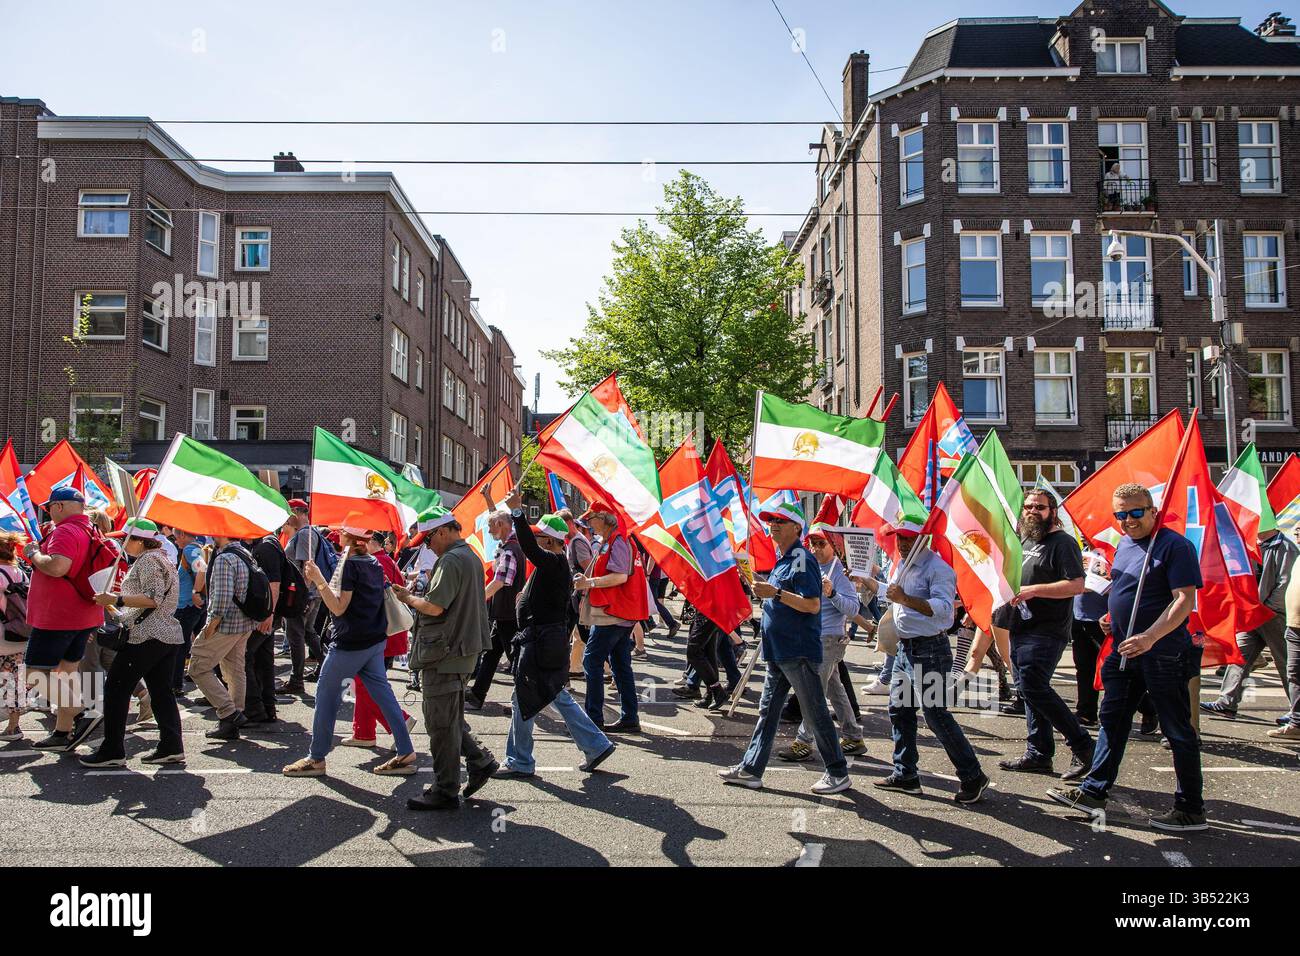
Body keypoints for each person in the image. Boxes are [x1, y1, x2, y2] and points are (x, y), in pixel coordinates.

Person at [1048, 483, 1206, 832]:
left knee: (1178, 729)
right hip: (1123, 650)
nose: (1128, 521)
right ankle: (1094, 791)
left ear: (1152, 510)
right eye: (1121, 514)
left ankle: (1190, 808)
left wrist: (1150, 636)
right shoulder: (1125, 545)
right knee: (1113, 720)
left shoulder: (1175, 546)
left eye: (1135, 512)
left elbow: (1183, 601)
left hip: (1162, 653)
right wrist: (1110, 618)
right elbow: (1126, 590)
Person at [717, 501, 850, 795]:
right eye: (770, 520)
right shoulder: (786, 558)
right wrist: (766, 589)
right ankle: (751, 769)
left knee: (814, 711)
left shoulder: (801, 557)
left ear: (796, 527)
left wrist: (774, 592)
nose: (772, 524)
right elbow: (783, 598)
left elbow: (812, 605)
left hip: (797, 650)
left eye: (779, 520)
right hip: (779, 650)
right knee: (768, 711)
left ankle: (838, 772)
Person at [492, 489, 616, 778]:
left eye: (538, 536)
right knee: (551, 695)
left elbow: (529, 547)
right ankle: (595, 745)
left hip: (540, 643)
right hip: (543, 642)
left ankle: (520, 760)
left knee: (525, 698)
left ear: (549, 541)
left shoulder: (552, 560)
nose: (533, 540)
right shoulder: (552, 564)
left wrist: (518, 512)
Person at [283, 526, 416, 777]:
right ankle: (405, 750)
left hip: (350, 643)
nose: (339, 533)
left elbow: (338, 607)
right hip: (374, 640)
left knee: (325, 695)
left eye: (343, 532)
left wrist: (319, 579)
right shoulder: (373, 563)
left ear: (351, 539)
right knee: (384, 696)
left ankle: (316, 757)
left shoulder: (351, 565)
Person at [874, 528, 990, 804]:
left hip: (929, 651)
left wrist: (904, 599)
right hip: (906, 649)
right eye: (899, 538)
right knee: (900, 711)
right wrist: (873, 586)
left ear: (923, 539)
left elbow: (943, 608)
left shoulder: (938, 568)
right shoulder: (901, 563)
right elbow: (895, 597)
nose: (902, 544)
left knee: (936, 715)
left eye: (909, 538)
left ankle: (973, 776)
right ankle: (906, 774)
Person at [395, 506, 498, 811]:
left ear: (442, 532)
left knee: (440, 723)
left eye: (428, 540)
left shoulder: (452, 559)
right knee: (449, 719)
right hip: (459, 649)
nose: (428, 546)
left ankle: (445, 788)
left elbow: (435, 607)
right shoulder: (466, 556)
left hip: (446, 651)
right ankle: (480, 761)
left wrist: (407, 597)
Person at [999, 490, 1094, 781]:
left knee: (1033, 685)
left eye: (1039, 507)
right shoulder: (1025, 539)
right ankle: (1038, 753)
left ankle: (1083, 744)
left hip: (1047, 629)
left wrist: (1034, 590)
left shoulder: (1062, 543)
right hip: (1020, 625)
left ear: (1052, 511)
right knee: (1028, 690)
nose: (1031, 511)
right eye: (1027, 506)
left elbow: (1076, 584)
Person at [80, 519, 185, 767]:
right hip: (164, 634)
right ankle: (171, 746)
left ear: (138, 540)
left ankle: (112, 750)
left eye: (126, 538)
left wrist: (115, 599)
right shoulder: (163, 558)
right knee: (161, 692)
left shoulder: (148, 560)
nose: (122, 543)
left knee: (116, 689)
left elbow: (152, 599)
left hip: (147, 635)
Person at [22, 487, 106, 752]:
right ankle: (62, 732)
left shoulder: (66, 530)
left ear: (58, 506)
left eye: (49, 507)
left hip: (58, 616)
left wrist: (33, 553)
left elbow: (58, 567)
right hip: (82, 613)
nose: (48, 512)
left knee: (35, 674)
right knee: (66, 672)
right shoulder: (90, 528)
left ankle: (81, 713)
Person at [779, 523, 867, 762]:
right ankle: (852, 735)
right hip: (814, 635)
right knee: (834, 689)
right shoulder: (812, 565)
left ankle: (803, 741)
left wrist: (832, 594)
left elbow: (853, 608)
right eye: (813, 543)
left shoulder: (839, 572)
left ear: (833, 545)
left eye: (821, 543)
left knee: (813, 693)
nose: (816, 548)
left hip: (830, 638)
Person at [1203, 527, 1298, 717]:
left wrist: (1268, 608)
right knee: (1239, 656)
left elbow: (1285, 582)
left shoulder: (1285, 547)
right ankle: (1226, 702)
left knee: (1287, 663)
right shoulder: (1252, 544)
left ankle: (1297, 712)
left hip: (1272, 615)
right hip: (1253, 614)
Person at [574, 503, 647, 733]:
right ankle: (629, 717)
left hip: (613, 612)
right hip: (619, 611)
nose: (589, 523)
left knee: (592, 661)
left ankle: (593, 720)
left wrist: (590, 583)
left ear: (604, 518)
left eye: (592, 518)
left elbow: (620, 576)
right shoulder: (614, 539)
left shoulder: (618, 540)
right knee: (620, 663)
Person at [342, 531, 416, 747]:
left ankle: (399, 721)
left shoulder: (376, 562)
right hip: (387, 632)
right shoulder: (386, 560)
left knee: (366, 683)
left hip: (377, 632)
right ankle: (364, 732)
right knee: (365, 682)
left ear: (373, 543)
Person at [190, 534, 257, 741]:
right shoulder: (244, 553)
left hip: (225, 624)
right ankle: (233, 719)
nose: (211, 534)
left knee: (197, 667)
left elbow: (221, 597)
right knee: (235, 669)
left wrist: (211, 624)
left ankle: (229, 713)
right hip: (244, 622)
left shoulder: (224, 558)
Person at [466, 507, 525, 711]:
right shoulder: (510, 546)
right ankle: (476, 695)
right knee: (491, 655)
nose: (489, 530)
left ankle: (522, 702)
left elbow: (501, 581)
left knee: (516, 660)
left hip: (507, 613)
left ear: (501, 524)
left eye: (491, 525)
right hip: (504, 613)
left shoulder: (510, 549)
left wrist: (477, 598)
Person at [244, 531, 288, 727]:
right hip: (267, 613)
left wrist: (268, 614)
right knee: (263, 659)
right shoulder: (267, 543)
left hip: (266, 614)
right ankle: (266, 708)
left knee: (245, 656)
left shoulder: (265, 547)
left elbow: (274, 584)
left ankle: (255, 708)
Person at [281, 499, 324, 693]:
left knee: (295, 635)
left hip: (304, 594)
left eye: (288, 512)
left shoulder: (306, 534)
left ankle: (296, 679)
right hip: (309, 593)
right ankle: (324, 666)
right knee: (307, 632)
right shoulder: (307, 533)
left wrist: (302, 596)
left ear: (297, 512)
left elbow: (306, 567)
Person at [1071, 548, 1111, 727]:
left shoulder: (1111, 549)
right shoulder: (1081, 550)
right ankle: (1086, 713)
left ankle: (1148, 709)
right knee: (1084, 667)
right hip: (1079, 618)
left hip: (1104, 621)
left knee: (1114, 671)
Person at [0, 532, 31, 742]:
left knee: (9, 680)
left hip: (1, 633)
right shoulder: (19, 572)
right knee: (14, 678)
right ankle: (14, 726)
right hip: (19, 632)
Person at [171, 529, 207, 696]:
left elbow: (202, 569)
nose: (175, 541)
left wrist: (195, 592)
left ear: (183, 535)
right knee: (196, 644)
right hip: (193, 605)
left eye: (176, 537)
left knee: (179, 645)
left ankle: (175, 684)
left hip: (187, 606)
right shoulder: (197, 547)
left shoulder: (189, 549)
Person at [1270, 554, 1300, 739]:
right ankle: (1297, 723)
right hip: (1294, 625)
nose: (1297, 531)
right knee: (1294, 673)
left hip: (1290, 622)